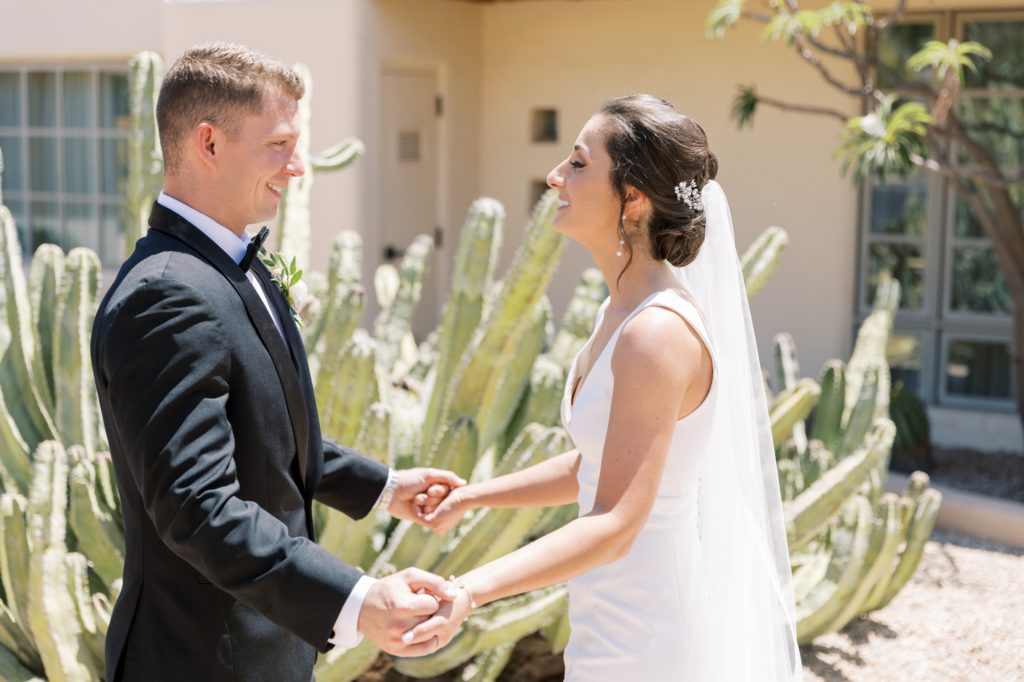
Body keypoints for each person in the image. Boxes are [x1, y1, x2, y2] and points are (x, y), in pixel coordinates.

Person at [91, 43, 463, 682]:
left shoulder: (232, 264)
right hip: (206, 661)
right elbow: (198, 508)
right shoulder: (167, 294)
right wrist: (357, 600)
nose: (296, 168)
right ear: (208, 143)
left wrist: (380, 487)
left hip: (268, 651)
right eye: (279, 145)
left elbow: (261, 429)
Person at [411, 95, 802, 680]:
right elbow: (598, 464)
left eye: (577, 164)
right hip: (608, 612)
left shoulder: (656, 331)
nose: (554, 177)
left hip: (648, 629)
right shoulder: (621, 313)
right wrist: (474, 497)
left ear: (634, 198)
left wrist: (467, 590)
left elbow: (617, 520)